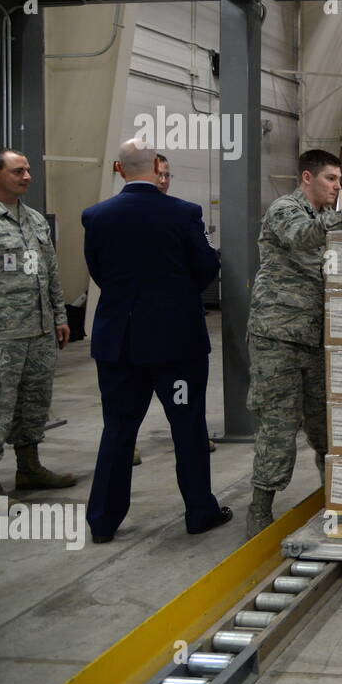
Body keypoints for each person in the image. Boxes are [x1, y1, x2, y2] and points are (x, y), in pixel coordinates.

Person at [81, 139, 230, 542]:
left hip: (119, 343)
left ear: (119, 168)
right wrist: (175, 297)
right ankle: (199, 511)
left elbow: (99, 272)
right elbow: (205, 268)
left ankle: (102, 522)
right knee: (187, 425)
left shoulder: (96, 216)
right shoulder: (183, 213)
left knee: (118, 428)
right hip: (175, 344)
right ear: (155, 168)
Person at [245, 150, 342, 537]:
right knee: (279, 425)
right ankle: (260, 510)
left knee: (328, 427)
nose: (336, 187)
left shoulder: (332, 221)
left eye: (340, 181)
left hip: (320, 339)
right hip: (279, 338)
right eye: (330, 179)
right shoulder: (285, 210)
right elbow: (303, 237)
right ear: (307, 177)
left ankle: (338, 497)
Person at [0, 149, 74, 509]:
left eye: (28, 170)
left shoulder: (35, 220)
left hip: (38, 332)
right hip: (1, 335)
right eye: (18, 170)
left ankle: (29, 467)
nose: (27, 176)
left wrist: (60, 316)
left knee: (34, 402)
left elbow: (49, 272)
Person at [130, 152, 215, 468]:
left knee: (183, 399)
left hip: (171, 323)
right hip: (140, 324)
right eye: (159, 175)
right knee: (132, 400)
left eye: (168, 175)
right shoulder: (117, 214)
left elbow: (205, 264)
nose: (164, 181)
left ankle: (191, 438)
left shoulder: (183, 214)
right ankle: (128, 442)